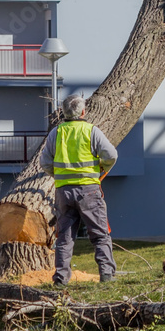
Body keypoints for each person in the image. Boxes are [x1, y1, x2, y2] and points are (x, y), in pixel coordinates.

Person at [40, 93, 118, 285]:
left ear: (63, 113)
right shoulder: (91, 131)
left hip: (63, 192)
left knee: (64, 236)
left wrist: (60, 176)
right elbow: (111, 155)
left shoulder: (56, 133)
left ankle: (60, 280)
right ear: (83, 111)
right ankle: (107, 275)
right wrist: (102, 168)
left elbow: (44, 163)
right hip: (89, 190)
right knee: (100, 234)